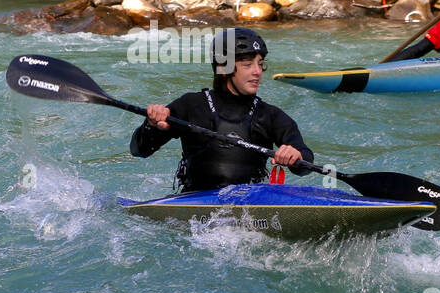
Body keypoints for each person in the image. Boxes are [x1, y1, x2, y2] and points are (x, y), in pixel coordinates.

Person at [130, 27, 315, 192]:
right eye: (247, 64)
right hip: (195, 204)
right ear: (223, 67)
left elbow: (306, 161)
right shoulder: (191, 105)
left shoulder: (271, 116)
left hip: (249, 206)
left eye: (260, 63)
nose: (257, 71)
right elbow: (139, 150)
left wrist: (295, 156)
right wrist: (152, 125)